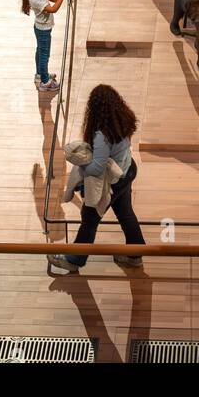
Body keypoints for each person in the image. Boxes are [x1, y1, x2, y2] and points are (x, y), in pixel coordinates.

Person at [48, 84, 146, 273]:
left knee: (89, 218)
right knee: (126, 214)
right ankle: (135, 255)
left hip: (113, 182)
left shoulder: (103, 135)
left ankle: (74, 260)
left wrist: (80, 163)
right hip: (127, 170)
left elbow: (97, 168)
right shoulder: (125, 119)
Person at [22, 0, 69, 91]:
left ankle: (40, 74)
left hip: (41, 28)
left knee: (40, 52)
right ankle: (45, 82)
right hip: (43, 31)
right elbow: (53, 9)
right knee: (44, 55)